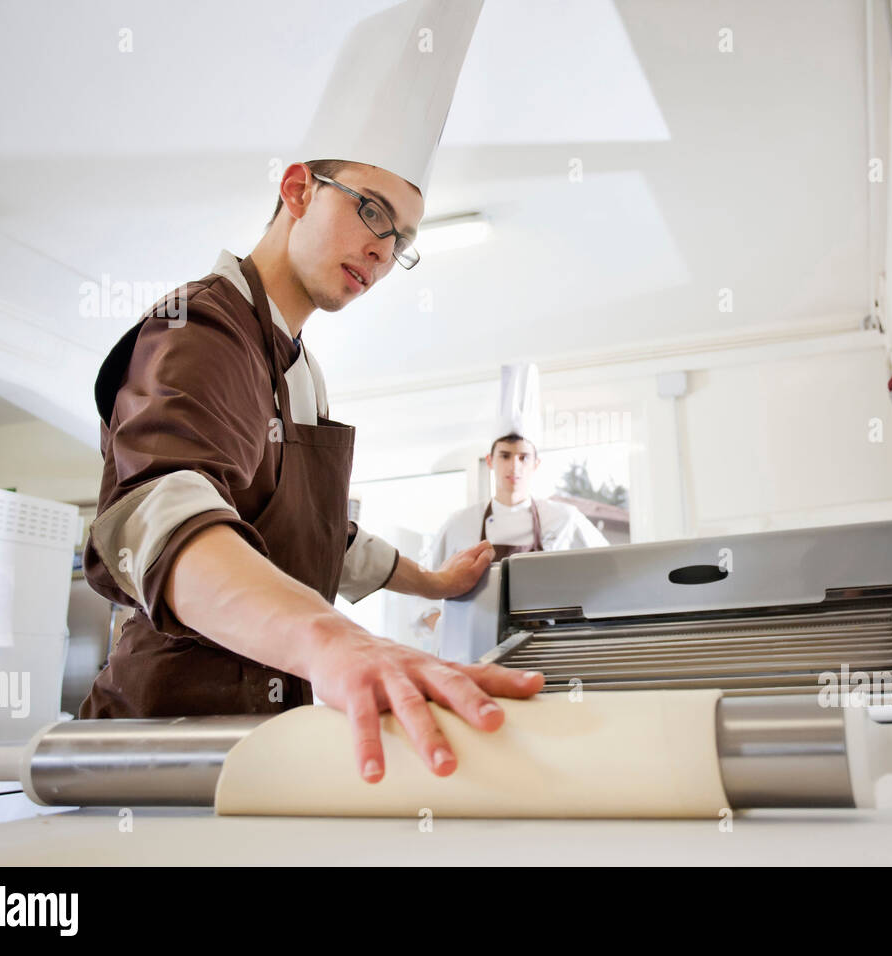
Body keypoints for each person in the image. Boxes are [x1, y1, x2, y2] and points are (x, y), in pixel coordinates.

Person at [78, 0, 542, 783]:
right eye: (370, 211)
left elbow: (321, 537)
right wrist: (333, 641)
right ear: (297, 188)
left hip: (262, 747)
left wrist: (435, 581)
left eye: (400, 239)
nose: (382, 251)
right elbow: (161, 516)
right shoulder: (201, 329)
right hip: (161, 751)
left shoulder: (301, 369)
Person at [420, 419, 610, 657]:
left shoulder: (565, 519)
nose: (515, 466)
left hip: (551, 652)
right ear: (490, 461)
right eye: (505, 456)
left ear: (536, 464)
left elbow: (609, 572)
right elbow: (423, 592)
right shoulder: (459, 523)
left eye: (523, 457)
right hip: (476, 656)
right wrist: (452, 635)